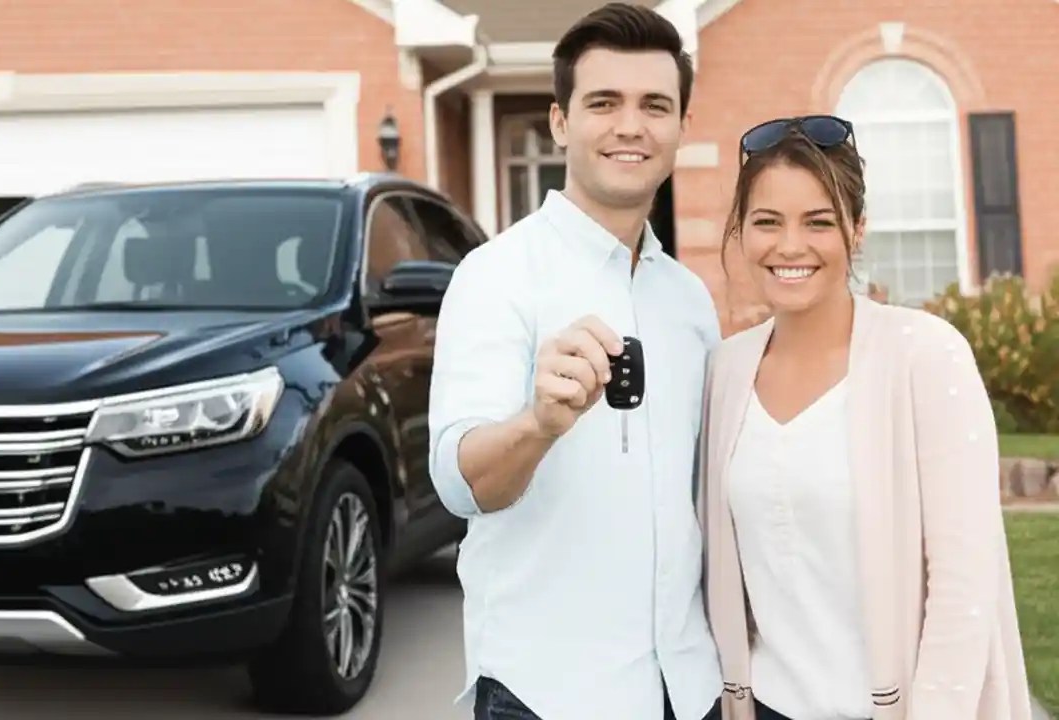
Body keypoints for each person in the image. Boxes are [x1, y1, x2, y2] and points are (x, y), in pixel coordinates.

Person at [427, 3, 724, 719]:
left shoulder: (689, 301)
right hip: (548, 693)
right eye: (603, 103)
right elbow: (460, 483)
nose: (631, 126)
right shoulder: (495, 275)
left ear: (682, 124)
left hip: (686, 688)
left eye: (655, 104)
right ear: (561, 122)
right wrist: (539, 423)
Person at [699, 114, 1032, 720]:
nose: (790, 246)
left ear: (856, 231)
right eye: (767, 222)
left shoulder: (925, 355)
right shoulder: (725, 371)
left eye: (818, 222)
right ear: (740, 234)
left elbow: (964, 583)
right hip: (767, 705)